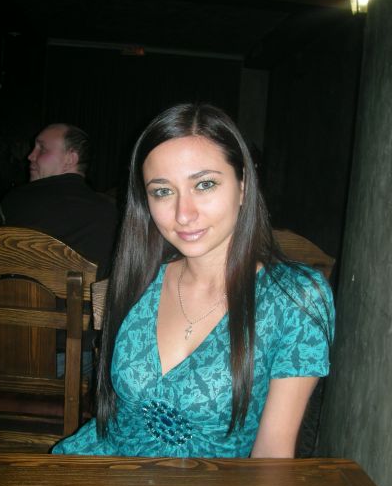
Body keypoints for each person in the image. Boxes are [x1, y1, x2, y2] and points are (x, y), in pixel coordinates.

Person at [52, 103, 335, 458]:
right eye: (163, 191)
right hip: (100, 470)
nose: (183, 214)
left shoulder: (294, 298)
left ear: (243, 186)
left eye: (204, 184)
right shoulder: (141, 277)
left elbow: (272, 453)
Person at [0, 123, 119, 278]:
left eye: (42, 149)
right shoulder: (110, 213)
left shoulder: (14, 201)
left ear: (70, 159)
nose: (30, 156)